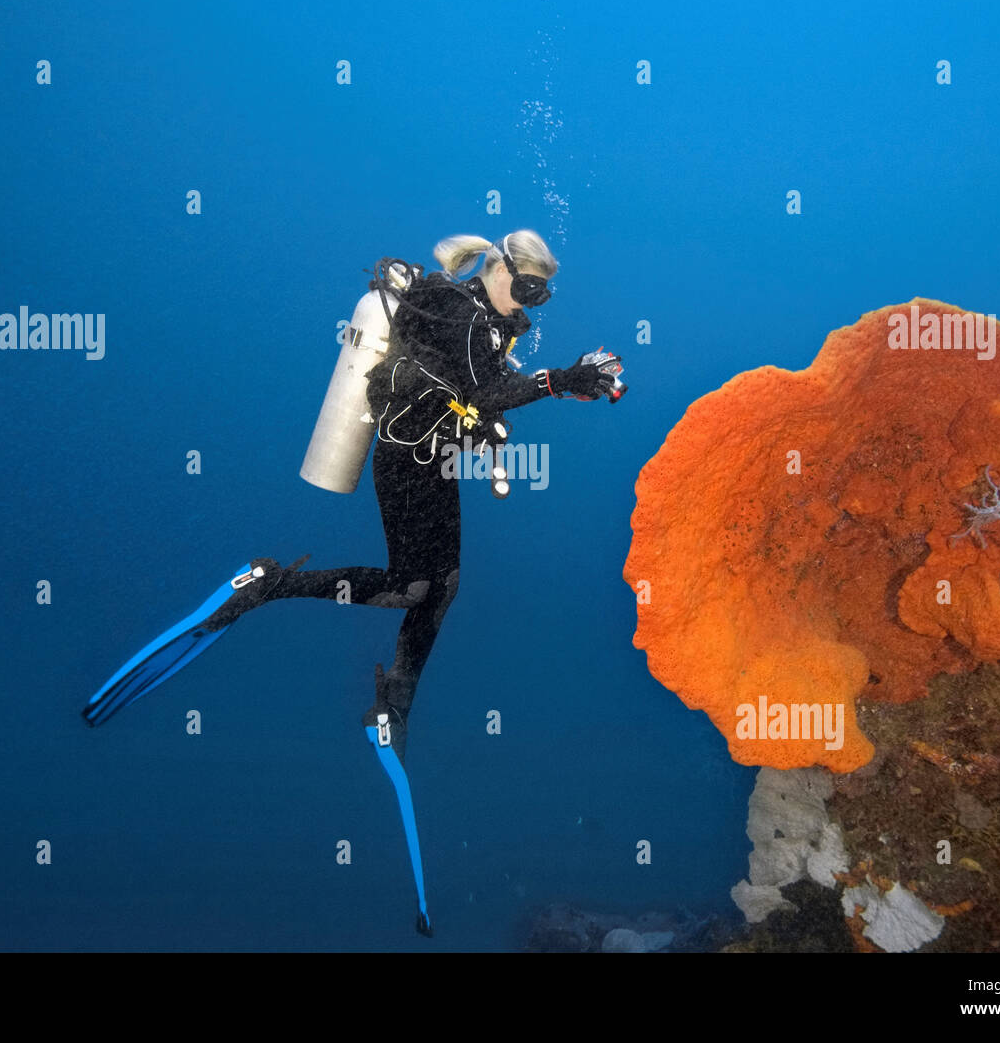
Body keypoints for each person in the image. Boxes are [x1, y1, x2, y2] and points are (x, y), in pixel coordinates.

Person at [83, 230, 622, 759]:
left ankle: (393, 704)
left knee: (442, 585)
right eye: (528, 290)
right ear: (499, 269)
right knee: (412, 588)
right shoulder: (462, 315)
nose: (532, 304)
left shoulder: (478, 321)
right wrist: (559, 380)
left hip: (433, 456)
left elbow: (468, 389)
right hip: (409, 462)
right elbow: (484, 390)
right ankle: (269, 585)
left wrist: (504, 413)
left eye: (542, 295)